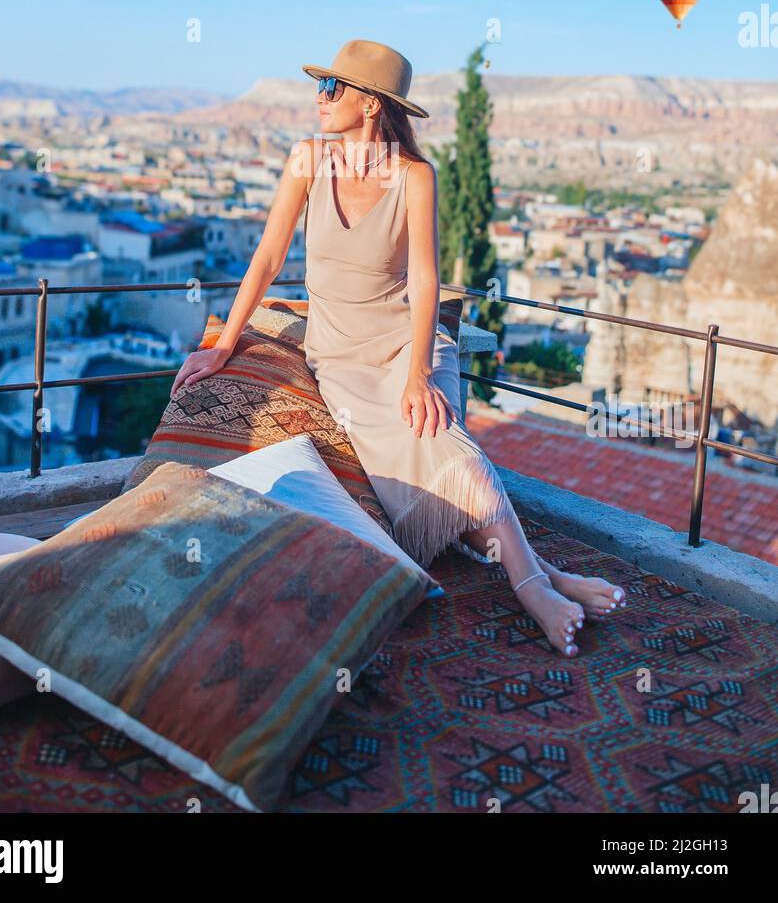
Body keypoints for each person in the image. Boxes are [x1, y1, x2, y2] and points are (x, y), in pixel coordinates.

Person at [172, 40, 626, 656]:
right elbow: (269, 257)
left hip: (409, 347)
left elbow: (424, 281)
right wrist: (225, 345)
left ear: (368, 104)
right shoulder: (307, 160)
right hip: (339, 359)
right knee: (427, 479)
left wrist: (418, 377)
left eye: (332, 88)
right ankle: (549, 574)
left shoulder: (415, 177)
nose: (319, 97)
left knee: (449, 452)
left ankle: (533, 590)